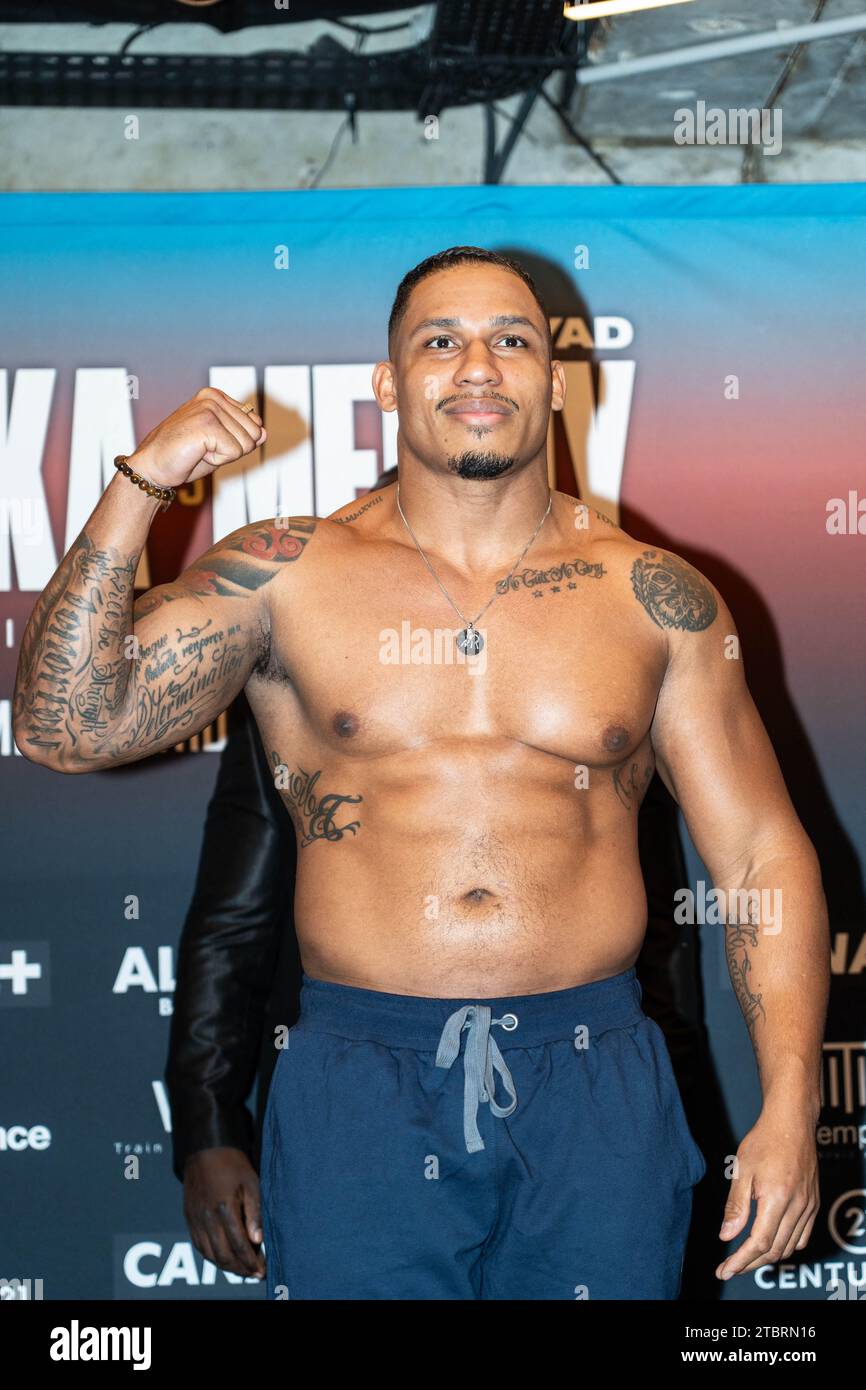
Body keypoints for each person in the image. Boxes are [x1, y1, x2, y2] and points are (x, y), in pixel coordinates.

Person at [13, 245, 829, 1300]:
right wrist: (141, 489)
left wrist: (788, 1101)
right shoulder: (289, 572)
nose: (477, 366)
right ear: (390, 385)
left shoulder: (651, 595)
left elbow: (761, 850)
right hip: (363, 1077)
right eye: (439, 342)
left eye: (510, 340)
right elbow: (63, 728)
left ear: (553, 377)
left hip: (593, 1080)